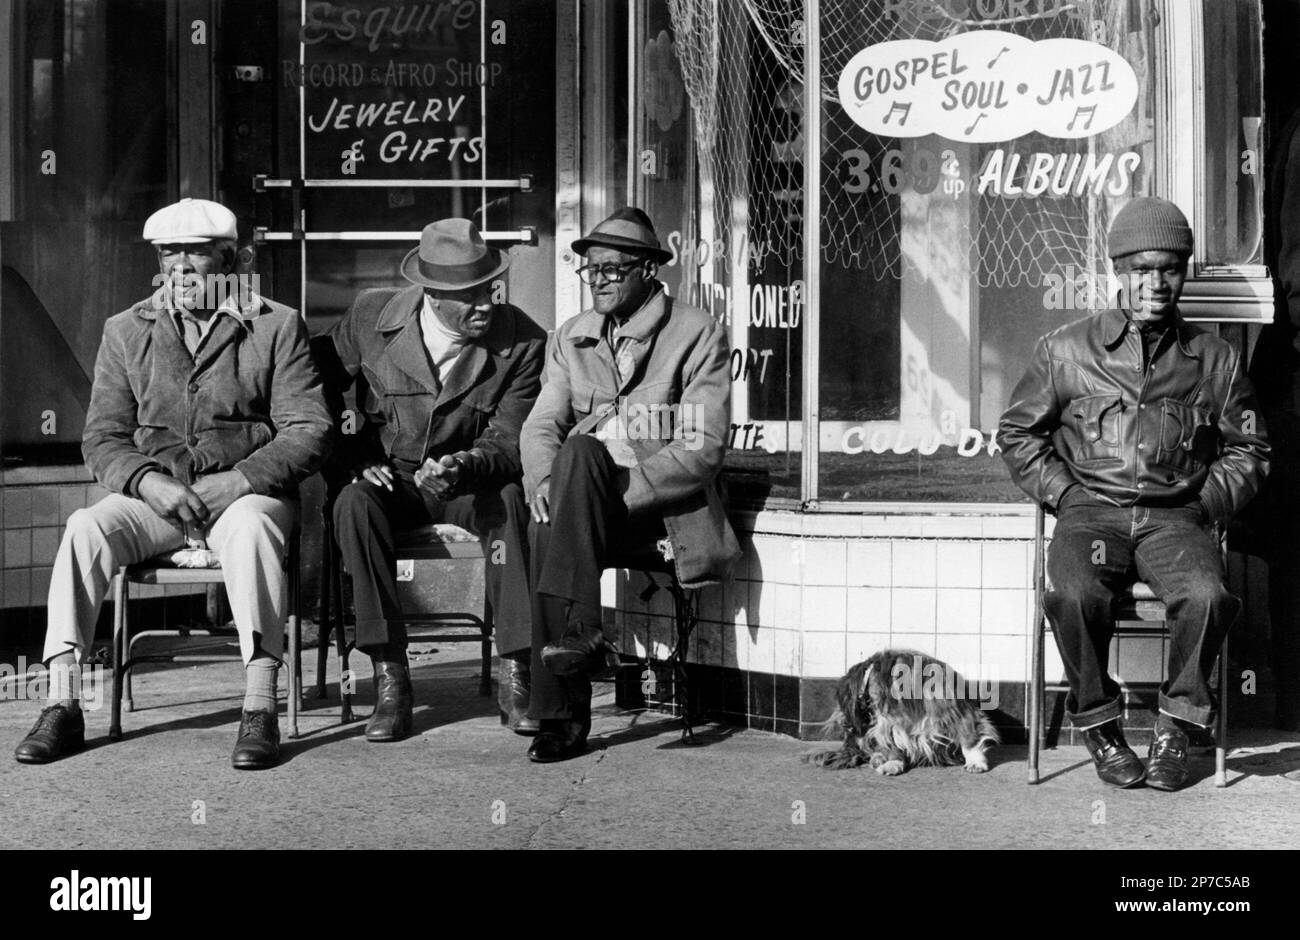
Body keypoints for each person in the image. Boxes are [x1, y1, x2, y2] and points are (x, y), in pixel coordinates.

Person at [14, 197, 333, 770]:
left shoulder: (275, 324)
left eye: (197, 254)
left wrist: (240, 481)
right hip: (159, 500)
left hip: (245, 499)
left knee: (255, 526)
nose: (180, 268)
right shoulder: (125, 329)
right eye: (168, 254)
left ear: (235, 259)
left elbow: (309, 429)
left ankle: (259, 704)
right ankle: (63, 700)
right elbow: (102, 437)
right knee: (86, 526)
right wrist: (146, 482)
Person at [999, 197, 1270, 791]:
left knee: (1208, 596)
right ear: (1120, 271)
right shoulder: (1065, 351)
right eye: (1143, 269)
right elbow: (1018, 433)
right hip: (1091, 516)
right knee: (1072, 593)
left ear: (1184, 273)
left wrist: (1203, 504)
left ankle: (1177, 725)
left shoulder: (1216, 360)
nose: (1156, 282)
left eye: (1170, 268)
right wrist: (1065, 494)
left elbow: (1252, 451)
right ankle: (1099, 723)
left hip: (1175, 520)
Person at [519, 207, 741, 763]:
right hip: (584, 506)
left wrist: (615, 491)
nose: (597, 280)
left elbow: (701, 447)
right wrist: (545, 482)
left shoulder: (696, 333)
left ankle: (564, 709)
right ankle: (581, 645)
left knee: (580, 454)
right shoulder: (570, 338)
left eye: (612, 270)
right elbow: (542, 422)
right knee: (557, 489)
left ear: (648, 271)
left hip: (659, 514)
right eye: (589, 270)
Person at [319, 219, 546, 742]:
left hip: (469, 481)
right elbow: (312, 391)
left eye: (488, 288)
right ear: (431, 295)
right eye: (467, 296)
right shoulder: (371, 316)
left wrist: (464, 464)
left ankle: (517, 672)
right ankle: (390, 676)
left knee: (510, 505)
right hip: (391, 478)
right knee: (353, 504)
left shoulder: (523, 340)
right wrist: (353, 457)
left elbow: (511, 437)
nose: (485, 305)